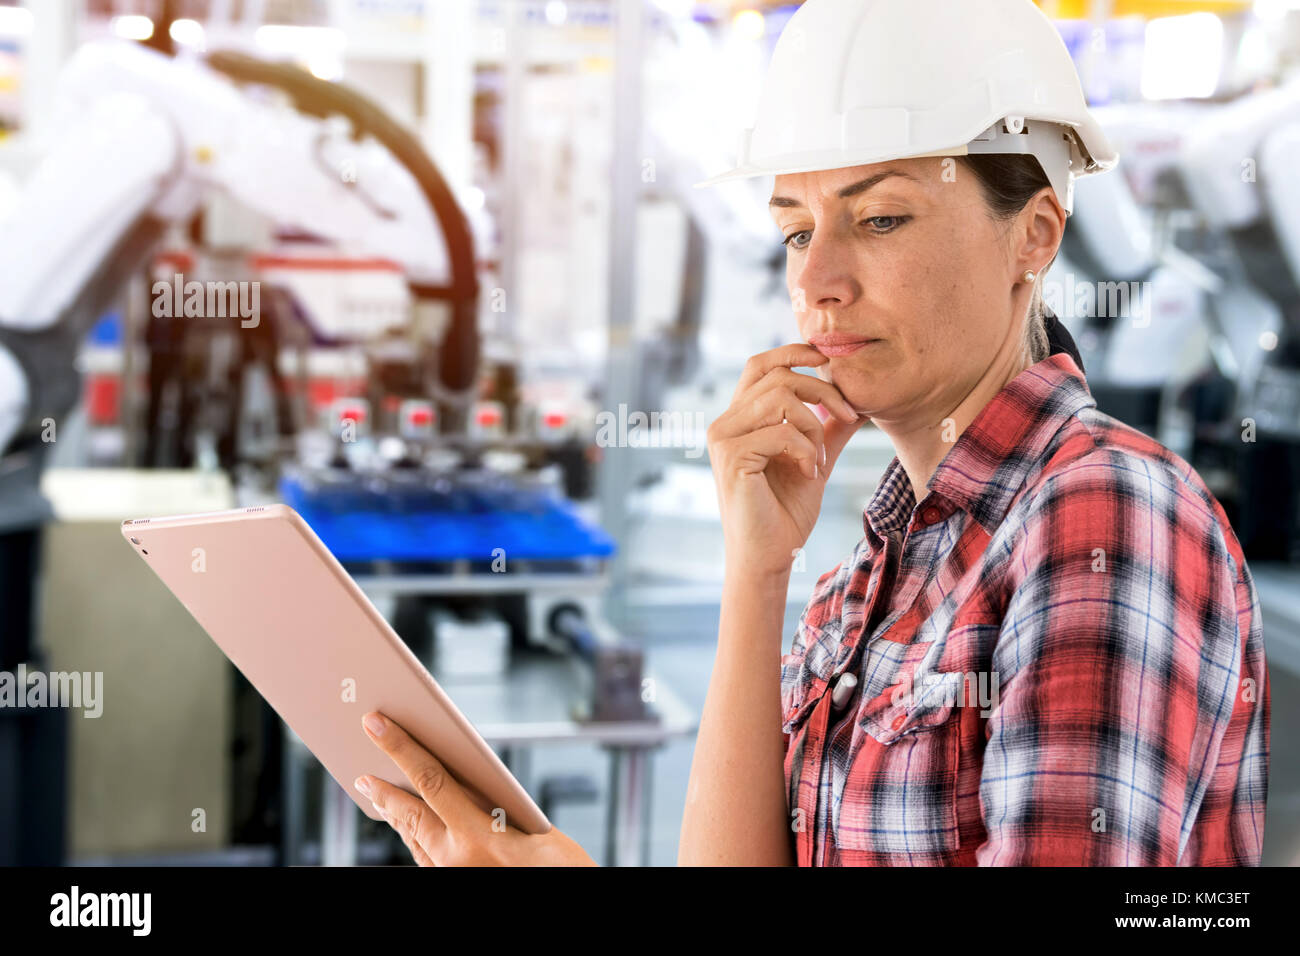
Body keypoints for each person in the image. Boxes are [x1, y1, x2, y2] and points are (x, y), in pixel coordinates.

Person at [355, 0, 1269, 866]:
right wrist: (756, 571)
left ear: (1033, 236)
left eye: (879, 219)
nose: (818, 280)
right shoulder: (863, 582)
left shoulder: (1103, 516)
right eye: (796, 232)